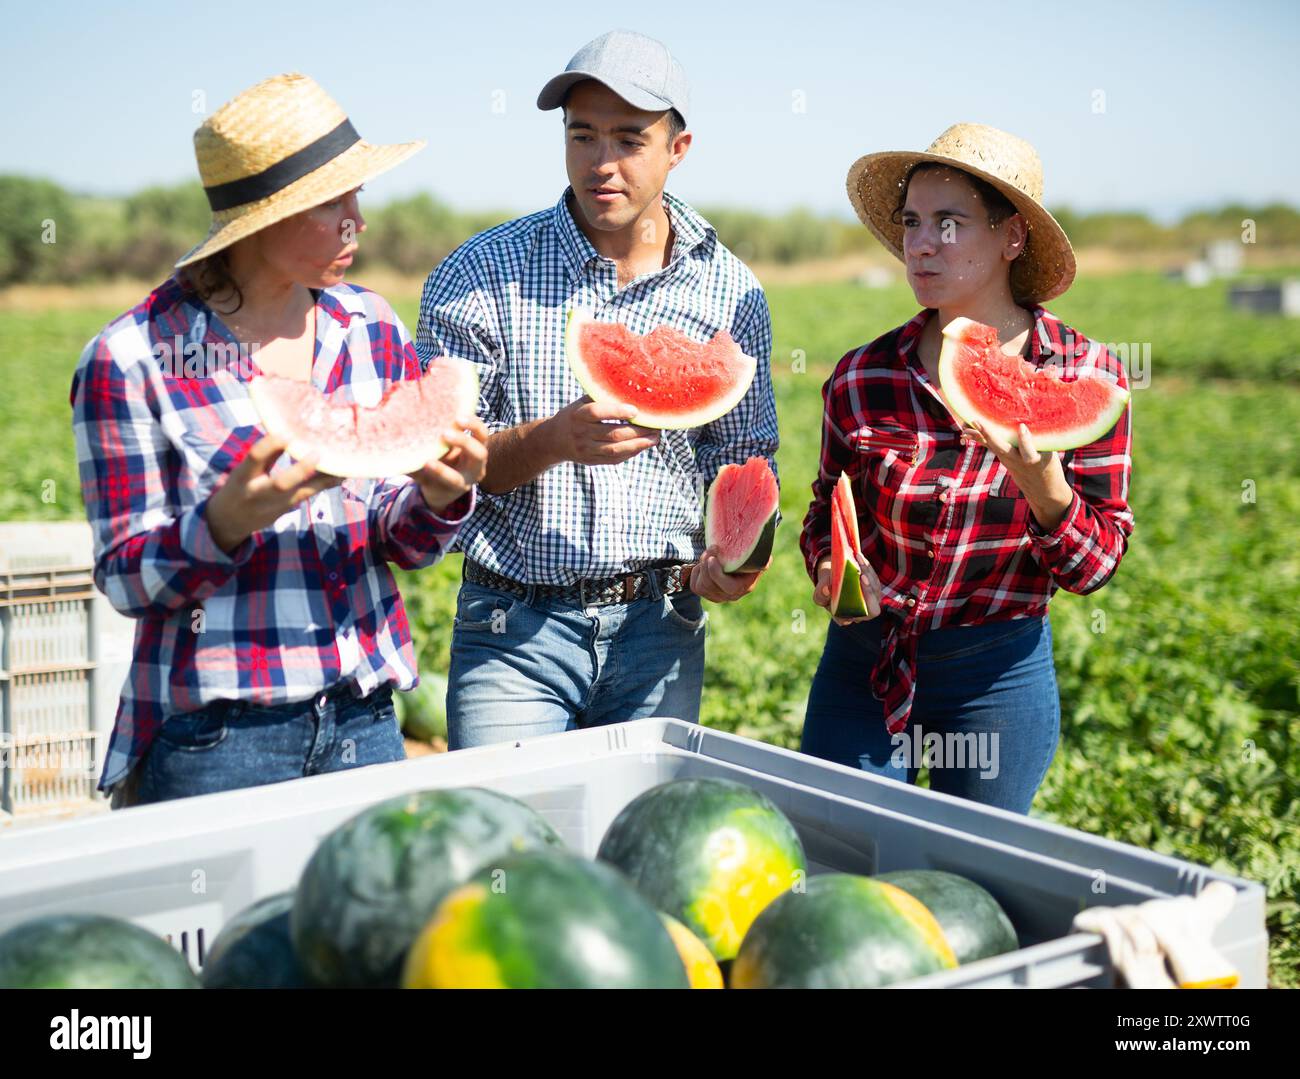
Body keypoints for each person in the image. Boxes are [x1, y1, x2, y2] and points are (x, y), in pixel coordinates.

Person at [70, 73, 487, 807]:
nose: (357, 220)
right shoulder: (130, 358)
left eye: (357, 195)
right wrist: (226, 521)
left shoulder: (371, 325)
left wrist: (441, 494)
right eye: (332, 201)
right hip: (215, 740)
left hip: (365, 721)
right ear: (265, 219)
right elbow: (124, 579)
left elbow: (402, 542)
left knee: (367, 928)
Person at [416, 30, 778, 749]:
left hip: (662, 628)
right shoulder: (477, 278)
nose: (602, 163)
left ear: (679, 148)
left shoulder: (732, 292)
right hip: (512, 630)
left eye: (629, 140)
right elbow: (443, 462)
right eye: (582, 136)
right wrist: (554, 440)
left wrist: (738, 562)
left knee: (636, 853)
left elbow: (746, 463)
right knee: (510, 847)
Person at [799, 123, 1134, 814]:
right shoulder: (862, 376)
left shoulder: (1087, 374)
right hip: (865, 658)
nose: (921, 244)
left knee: (976, 885)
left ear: (1011, 236)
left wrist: (1048, 494)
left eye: (949, 224)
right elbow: (821, 516)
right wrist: (832, 568)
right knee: (844, 859)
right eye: (914, 222)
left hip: (997, 676)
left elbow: (1096, 565)